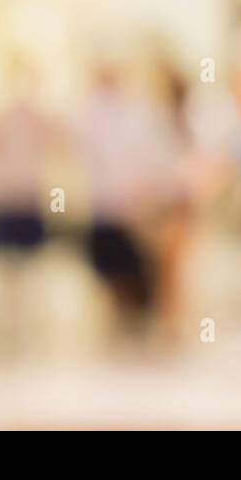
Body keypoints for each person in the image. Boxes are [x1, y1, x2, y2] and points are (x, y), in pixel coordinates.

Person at [77, 58, 186, 333]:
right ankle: (125, 317)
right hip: (112, 204)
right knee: (115, 268)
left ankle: (155, 319)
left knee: (145, 268)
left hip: (138, 201)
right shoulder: (95, 113)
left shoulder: (140, 114)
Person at [0, 58, 55, 347]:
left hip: (28, 194)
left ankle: (30, 318)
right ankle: (10, 318)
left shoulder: (38, 117)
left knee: (32, 261)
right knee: (7, 264)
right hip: (7, 196)